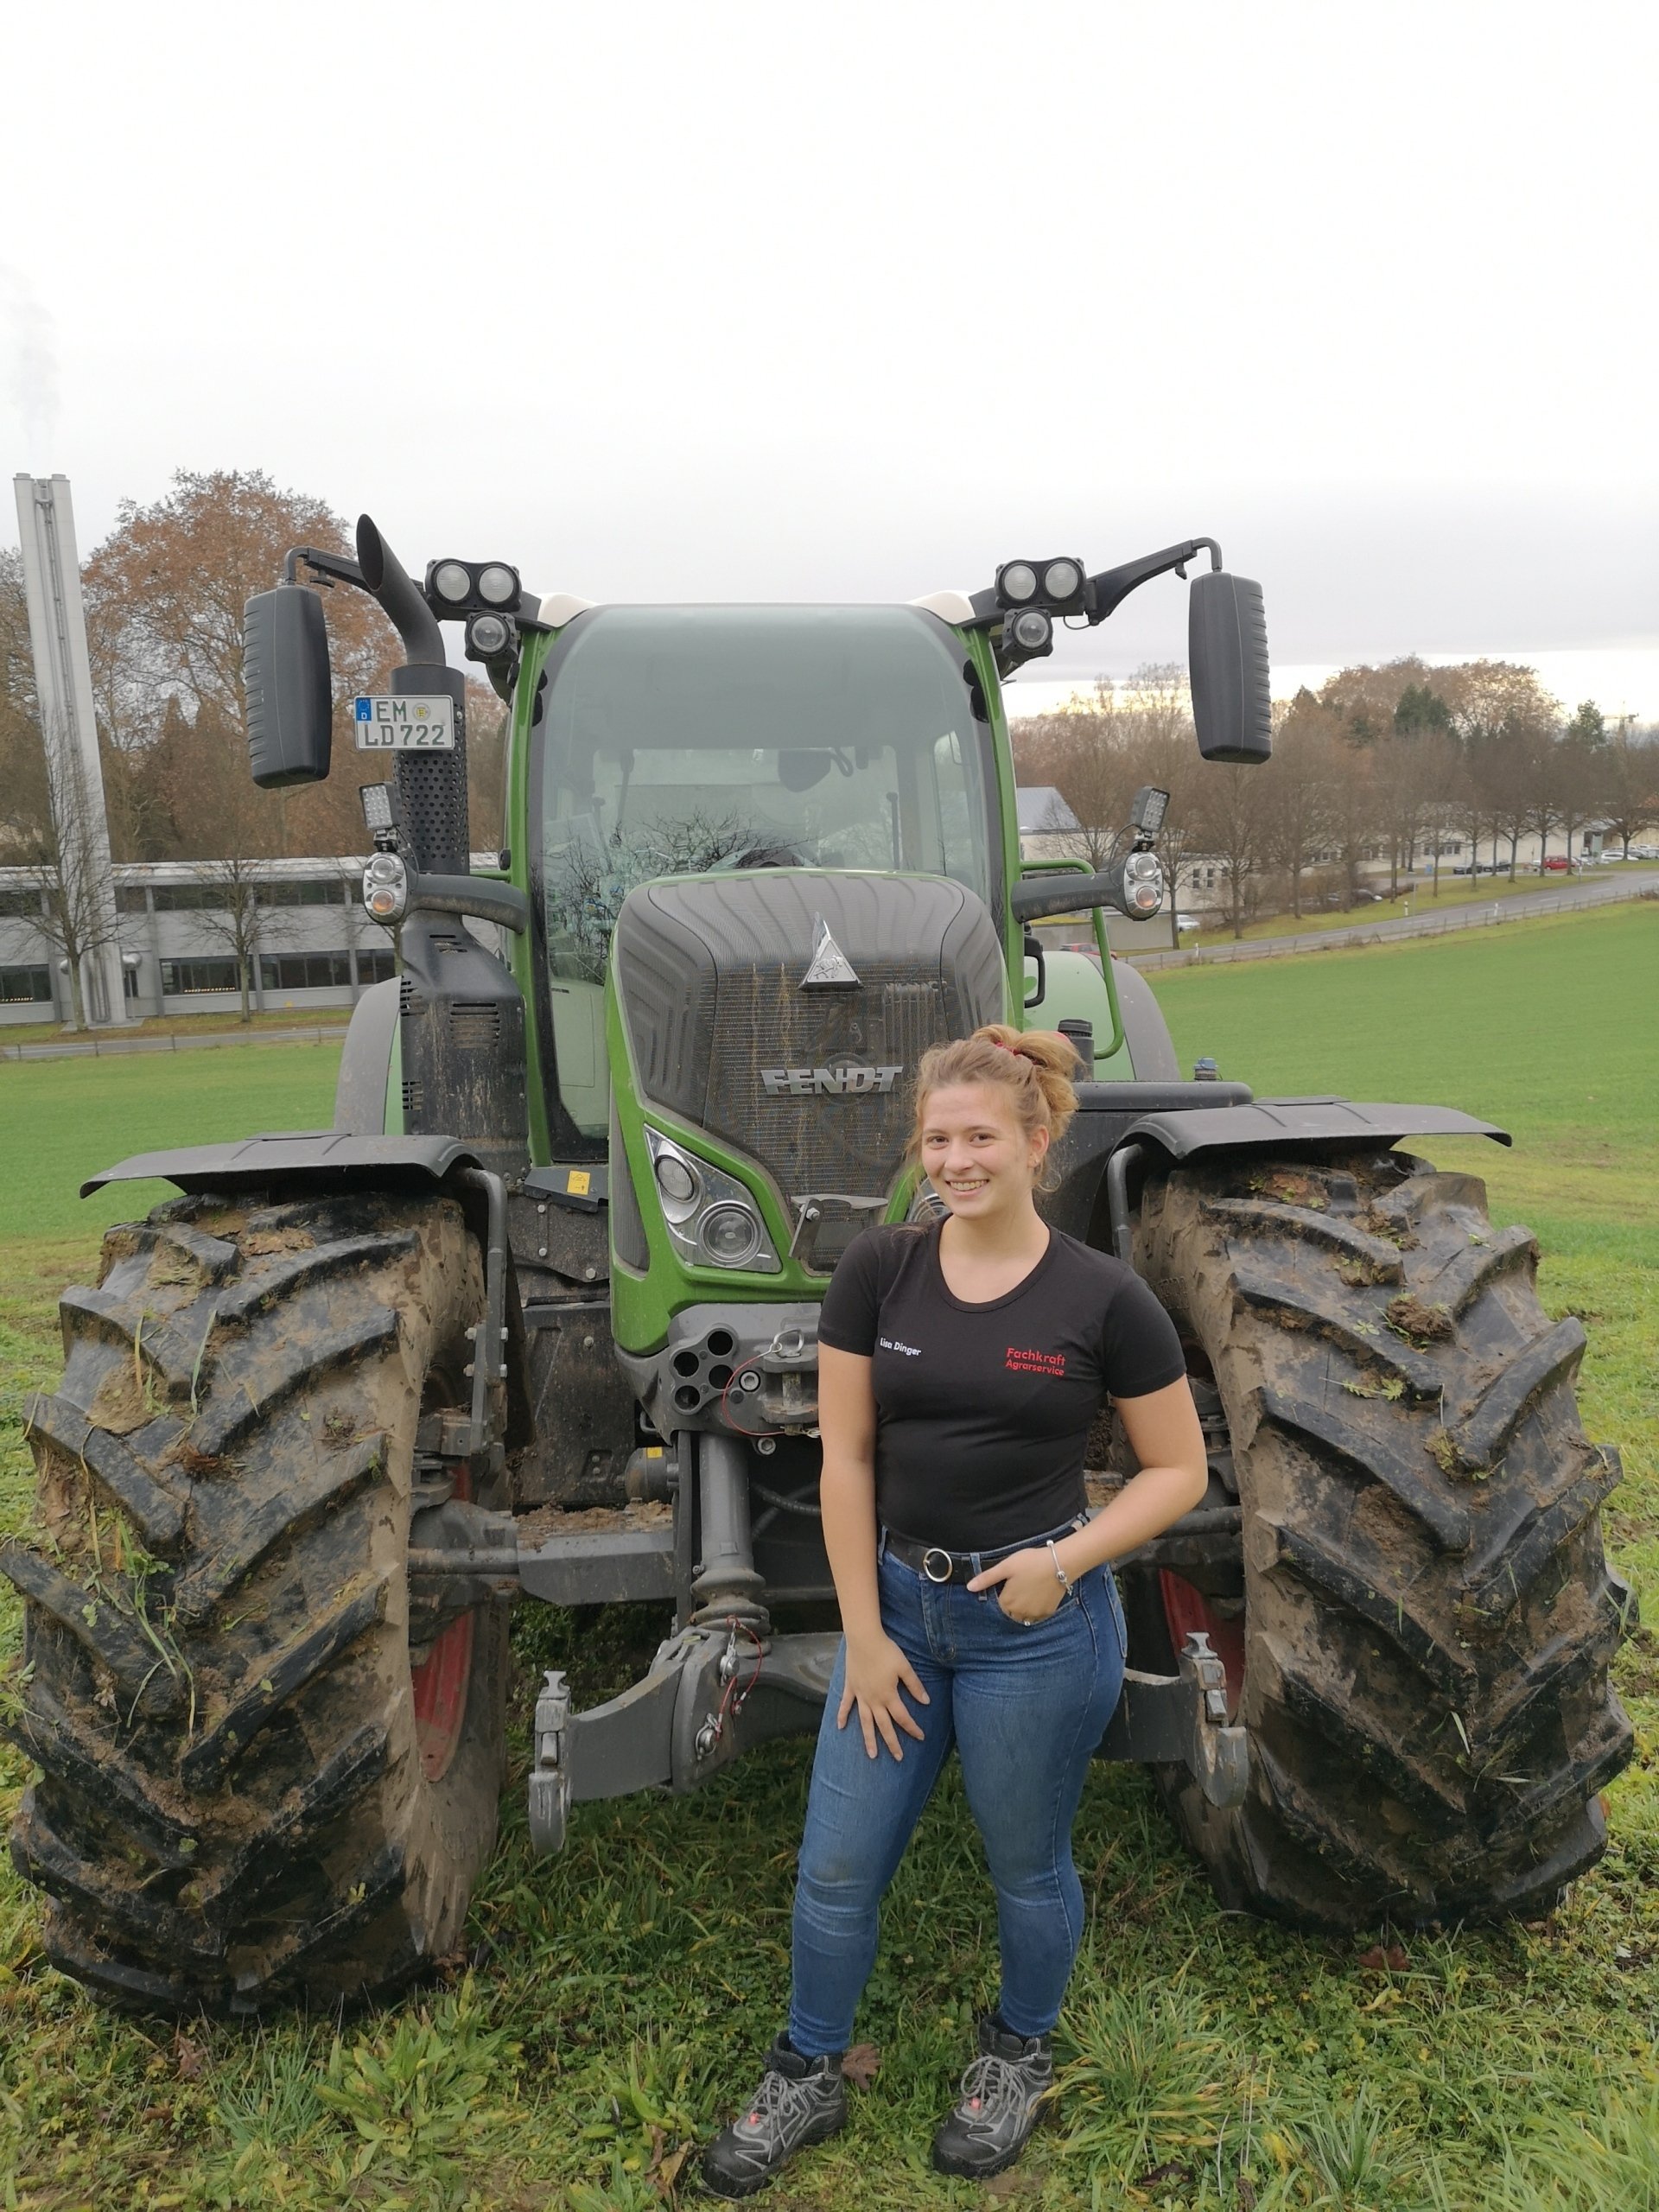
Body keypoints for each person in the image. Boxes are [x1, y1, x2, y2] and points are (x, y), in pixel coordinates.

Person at [702, 1024, 1208, 2197]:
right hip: (898, 1615)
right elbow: (844, 1464)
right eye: (937, 1139)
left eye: (981, 1137)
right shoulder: (881, 1270)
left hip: (1036, 1627)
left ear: (1039, 1143)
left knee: (1024, 1863)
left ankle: (1016, 2049)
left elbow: (1175, 1471)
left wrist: (1070, 1562)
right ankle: (808, 2069)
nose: (955, 1160)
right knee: (834, 1867)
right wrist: (864, 1638)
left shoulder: (1104, 1297)